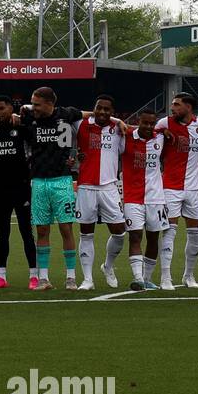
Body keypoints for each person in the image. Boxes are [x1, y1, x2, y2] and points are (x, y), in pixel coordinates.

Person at [14, 87, 86, 291]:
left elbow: (90, 115)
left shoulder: (66, 114)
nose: (33, 107)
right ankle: (43, 278)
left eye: (37, 104)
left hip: (62, 180)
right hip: (38, 181)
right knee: (42, 229)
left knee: (66, 228)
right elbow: (12, 117)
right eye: (32, 104)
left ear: (49, 103)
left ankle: (71, 277)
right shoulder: (28, 117)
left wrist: (117, 121)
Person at [159, 92, 198, 290]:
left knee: (195, 235)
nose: (172, 108)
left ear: (189, 107)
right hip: (170, 187)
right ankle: (165, 277)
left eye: (176, 105)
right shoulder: (164, 123)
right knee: (169, 232)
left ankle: (188, 275)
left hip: (194, 188)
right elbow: (143, 131)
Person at [73, 94, 127, 290]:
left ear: (112, 112)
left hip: (110, 187)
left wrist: (118, 121)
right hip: (86, 187)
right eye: (99, 108)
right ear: (93, 108)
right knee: (86, 234)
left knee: (120, 232)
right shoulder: (80, 124)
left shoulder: (119, 130)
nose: (102, 112)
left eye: (107, 109)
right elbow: (58, 114)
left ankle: (108, 266)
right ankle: (87, 279)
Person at [0, 95, 38, 289]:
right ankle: (1, 277)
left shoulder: (23, 130)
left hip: (22, 187)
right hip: (0, 188)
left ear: (10, 108)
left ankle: (33, 276)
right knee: (2, 234)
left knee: (26, 233)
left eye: (1, 108)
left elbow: (36, 128)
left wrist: (21, 116)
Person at [121, 106, 167, 291]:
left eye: (151, 123)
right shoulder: (126, 136)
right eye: (144, 122)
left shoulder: (161, 137)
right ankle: (138, 278)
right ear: (138, 121)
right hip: (132, 197)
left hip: (156, 197)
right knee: (135, 236)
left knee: (154, 238)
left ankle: (147, 278)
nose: (148, 126)